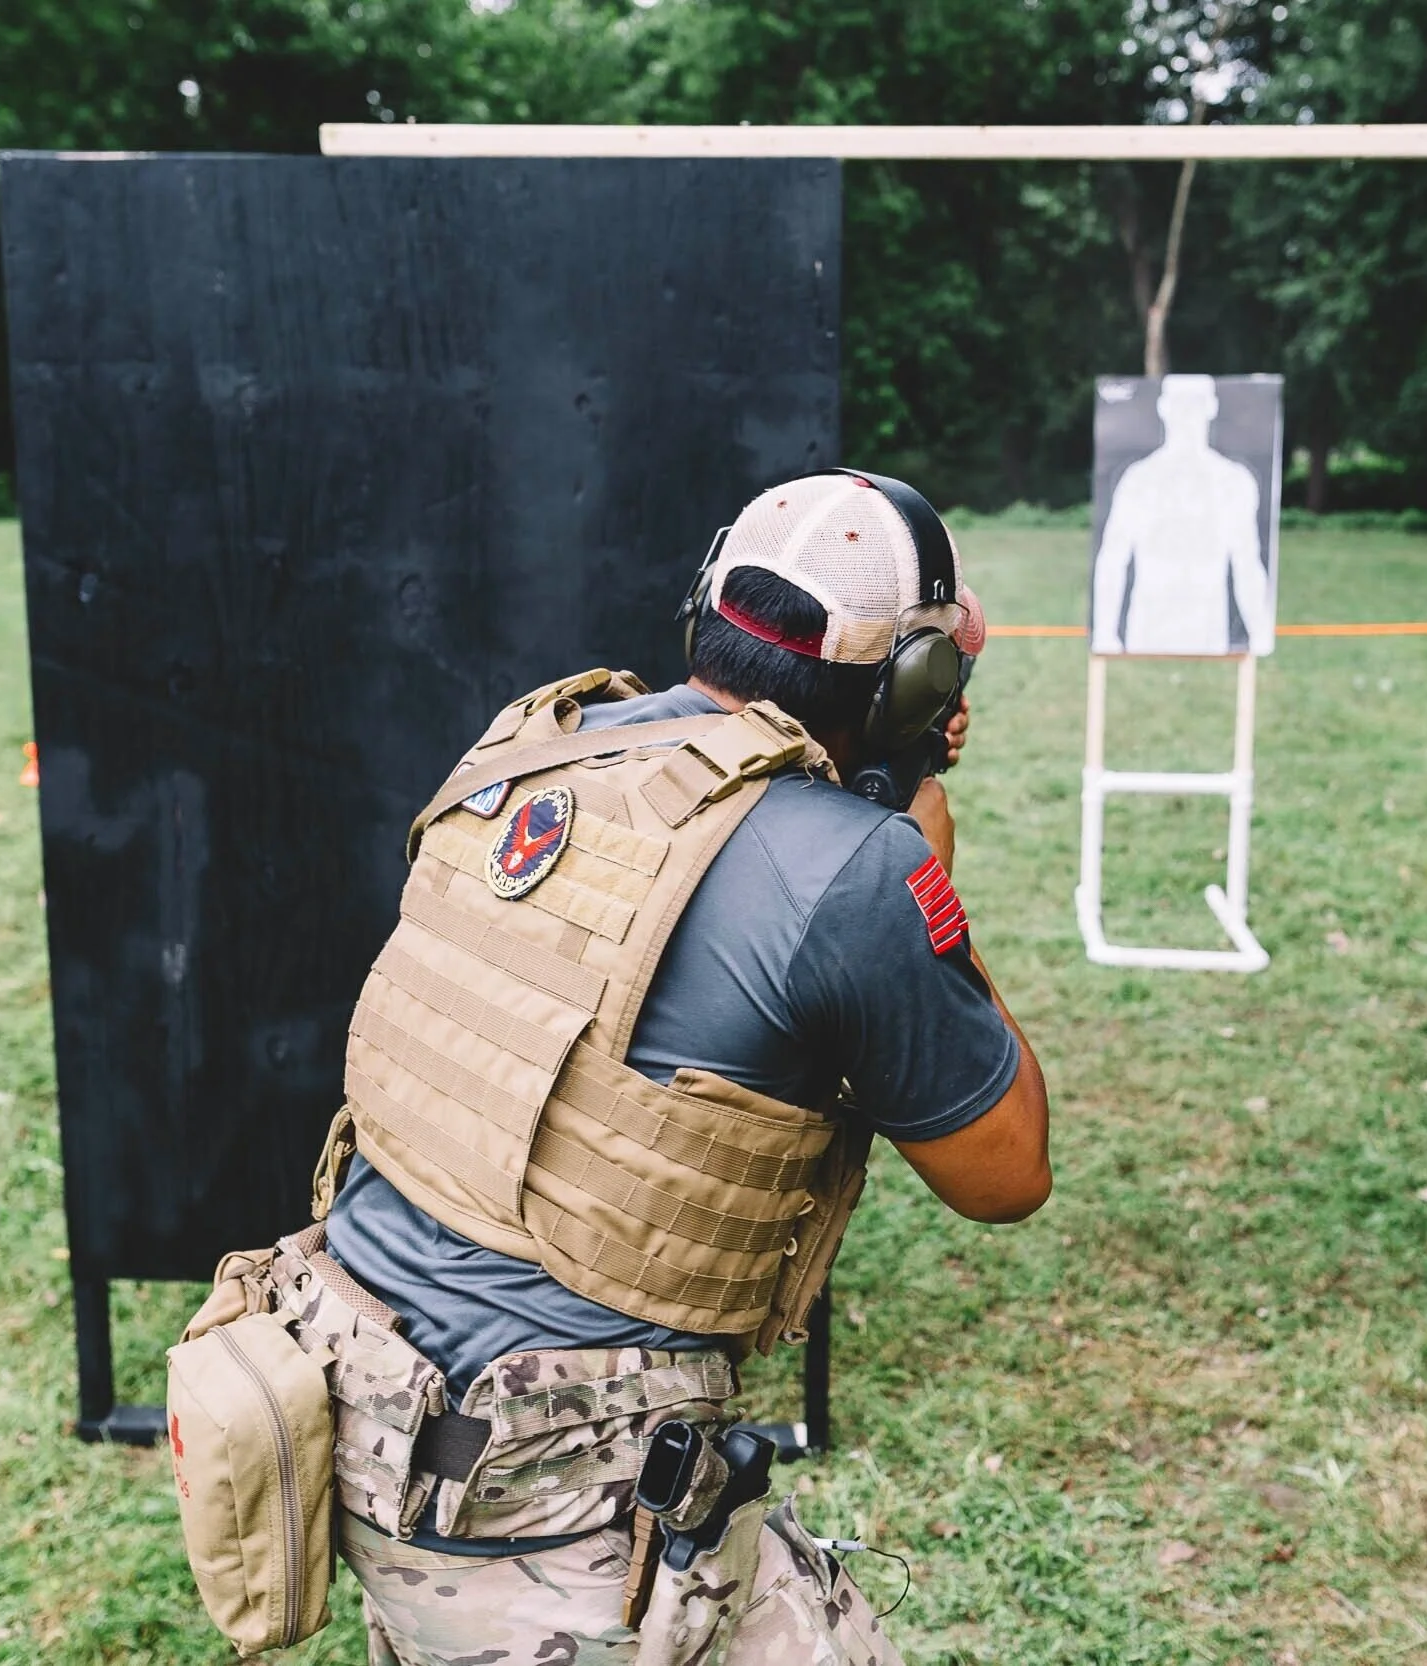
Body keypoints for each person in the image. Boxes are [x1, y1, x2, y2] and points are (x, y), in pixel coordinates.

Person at [301, 469, 1053, 1665]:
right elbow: (1004, 1171)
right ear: (916, 687)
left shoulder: (542, 749)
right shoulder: (855, 874)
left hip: (352, 1410)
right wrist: (916, 855)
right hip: (544, 1509)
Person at [1090, 374, 1271, 656]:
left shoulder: (1233, 482)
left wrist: (1260, 633)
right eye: (1179, 405)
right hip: (1149, 625)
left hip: (1208, 626)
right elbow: (1112, 558)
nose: (1187, 415)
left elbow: (1247, 563)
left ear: (1211, 407)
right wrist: (1104, 631)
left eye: (1195, 405)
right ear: (1163, 407)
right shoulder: (1140, 480)